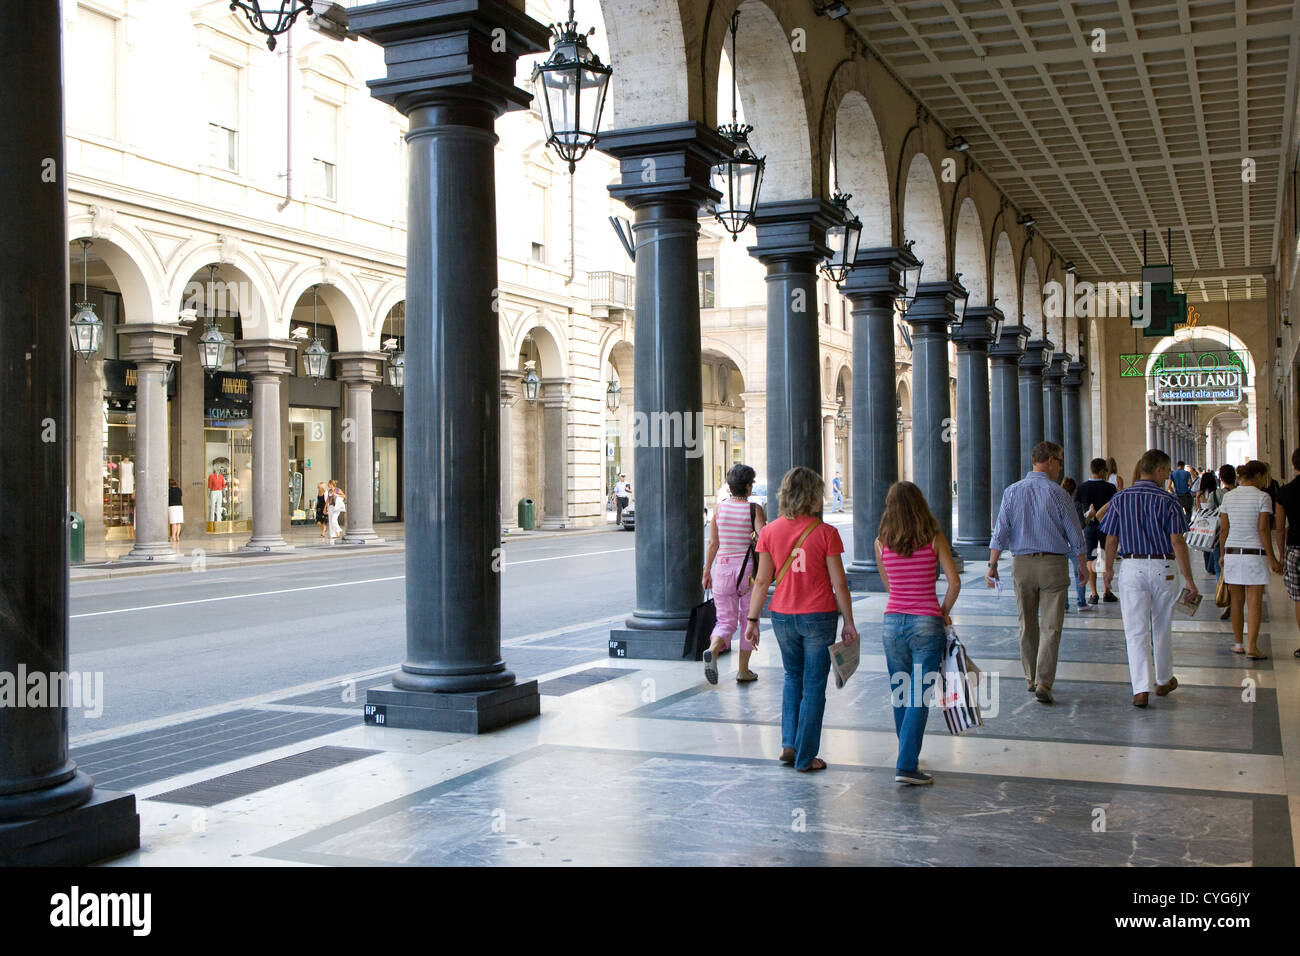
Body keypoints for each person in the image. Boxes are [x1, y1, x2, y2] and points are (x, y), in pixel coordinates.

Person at [744, 467, 858, 773]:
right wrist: (848, 621)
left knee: (792, 678)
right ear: (813, 495)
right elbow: (840, 584)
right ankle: (806, 757)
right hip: (818, 616)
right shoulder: (826, 533)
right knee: (813, 685)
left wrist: (753, 620)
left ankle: (789, 744)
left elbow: (761, 581)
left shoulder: (769, 531)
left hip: (781, 616)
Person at [986, 441, 1087, 704]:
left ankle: (1030, 677)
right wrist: (1082, 564)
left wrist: (992, 565)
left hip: (1022, 565)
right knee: (1051, 627)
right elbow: (1075, 533)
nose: (1061, 467)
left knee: (1026, 624)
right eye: (1060, 461)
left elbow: (1001, 531)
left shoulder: (1011, 492)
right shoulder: (1058, 493)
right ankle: (1044, 681)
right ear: (1050, 461)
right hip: (1053, 565)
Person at [875, 481, 960, 786]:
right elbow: (954, 582)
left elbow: (890, 586)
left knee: (901, 691)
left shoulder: (881, 542)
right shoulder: (934, 539)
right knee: (918, 695)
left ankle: (905, 754)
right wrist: (943, 609)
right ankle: (907, 764)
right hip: (926, 622)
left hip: (892, 622)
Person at [1099, 449, 1199, 707]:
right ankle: (1164, 680)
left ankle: (1140, 689)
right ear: (1158, 471)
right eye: (1166, 471)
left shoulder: (1120, 499)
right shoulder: (1169, 501)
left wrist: (1108, 570)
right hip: (1163, 567)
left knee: (1135, 631)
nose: (1167, 476)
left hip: (1132, 567)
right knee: (1162, 625)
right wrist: (1189, 579)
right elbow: (1177, 541)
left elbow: (1111, 539)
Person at [702, 464, 767, 684]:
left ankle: (713, 648)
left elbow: (713, 543)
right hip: (747, 573)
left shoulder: (719, 509)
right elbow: (763, 541)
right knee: (749, 618)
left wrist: (706, 571)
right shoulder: (754, 510)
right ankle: (743, 670)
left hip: (722, 569)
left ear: (729, 487)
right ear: (748, 487)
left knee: (725, 620)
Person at [1218, 460, 1278, 659]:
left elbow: (1224, 529)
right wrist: (1272, 558)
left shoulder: (1229, 497)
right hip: (1254, 555)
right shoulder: (1263, 497)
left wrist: (1221, 554)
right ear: (1259, 476)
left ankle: (1238, 644)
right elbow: (1262, 529)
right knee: (1254, 603)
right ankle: (1252, 646)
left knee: (1236, 602)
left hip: (1233, 553)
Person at [1074, 458, 1118, 604]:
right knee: (1106, 557)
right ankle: (1107, 591)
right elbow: (1114, 508)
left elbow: (1076, 507)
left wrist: (1085, 519)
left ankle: (1093, 594)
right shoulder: (1110, 488)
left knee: (1090, 559)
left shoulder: (1081, 487)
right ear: (1102, 471)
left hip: (1089, 527)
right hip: (1107, 526)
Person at [1271, 449, 1300, 660]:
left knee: (1299, 598)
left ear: (1293, 465)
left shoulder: (1285, 492)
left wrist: (1281, 555)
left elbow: (1279, 528)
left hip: (1295, 548)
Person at [1061, 478, 1089, 612]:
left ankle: (1064, 605)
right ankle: (1081, 602)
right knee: (1080, 573)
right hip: (1074, 544)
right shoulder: (1074, 504)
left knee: (1063, 575)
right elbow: (1079, 526)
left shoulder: (1057, 502)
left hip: (1061, 544)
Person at [1195, 470, 1222, 576]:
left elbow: (1199, 511)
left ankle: (1209, 566)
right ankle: (1211, 566)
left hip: (1204, 523)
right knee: (1214, 545)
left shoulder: (1200, 494)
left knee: (1205, 545)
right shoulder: (1216, 493)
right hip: (1214, 523)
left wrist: (1197, 499)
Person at [168, 479, 184, 545]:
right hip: (179, 507)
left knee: (173, 522)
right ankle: (177, 536)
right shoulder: (179, 490)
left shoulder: (169, 490)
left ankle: (173, 536)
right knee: (178, 523)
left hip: (172, 507)